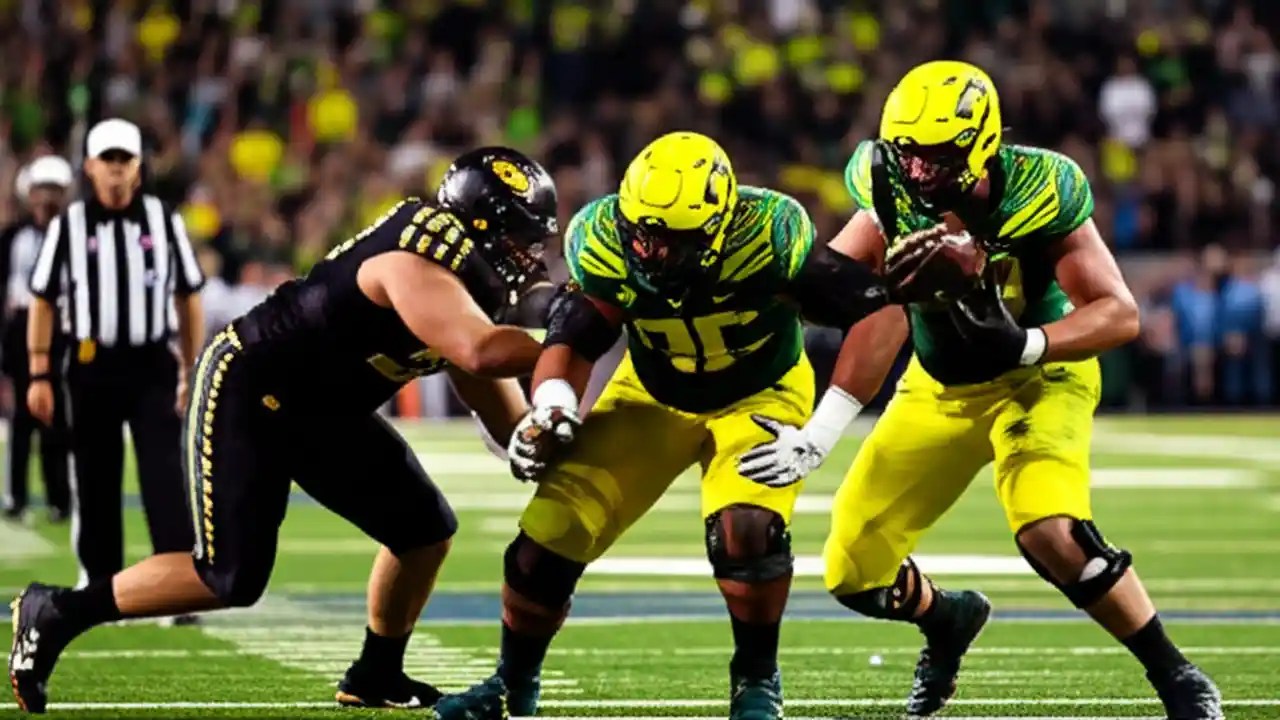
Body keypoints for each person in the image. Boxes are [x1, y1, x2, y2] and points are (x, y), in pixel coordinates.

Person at [734, 61, 1223, 719]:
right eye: (906, 151)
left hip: (1039, 377)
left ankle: (1178, 676)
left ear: (981, 143)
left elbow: (1119, 311)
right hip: (939, 386)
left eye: (935, 154)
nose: (915, 169)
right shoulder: (885, 185)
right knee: (852, 572)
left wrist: (1026, 342)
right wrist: (821, 430)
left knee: (1050, 532)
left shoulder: (1039, 188)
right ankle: (948, 621)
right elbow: (859, 301)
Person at [9, 147, 557, 716]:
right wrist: (564, 342)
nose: (531, 256)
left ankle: (375, 672)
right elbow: (481, 350)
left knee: (423, 530)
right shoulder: (414, 257)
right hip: (252, 387)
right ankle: (60, 611)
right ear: (483, 224)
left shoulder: (463, 278)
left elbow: (481, 383)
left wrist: (536, 439)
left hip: (323, 412)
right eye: (522, 238)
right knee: (230, 578)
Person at [437, 132, 897, 720]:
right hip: (652, 391)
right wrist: (551, 405)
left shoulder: (769, 233)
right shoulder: (604, 237)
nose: (648, 251)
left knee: (748, 532)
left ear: (717, 229)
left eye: (668, 238)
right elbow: (576, 334)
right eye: (641, 233)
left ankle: (757, 682)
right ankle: (512, 684)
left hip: (762, 389)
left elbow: (871, 305)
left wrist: (825, 426)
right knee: (544, 542)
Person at [25, 119, 205, 589]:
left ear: (139, 168)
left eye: (125, 160)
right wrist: (39, 371)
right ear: (89, 167)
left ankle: (176, 582)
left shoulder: (165, 220)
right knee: (94, 475)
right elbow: (42, 298)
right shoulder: (70, 225)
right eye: (108, 160)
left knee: (164, 475)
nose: (116, 169)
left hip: (152, 365)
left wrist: (191, 366)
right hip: (91, 366)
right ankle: (101, 582)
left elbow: (189, 296)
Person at [0, 156, 73, 523]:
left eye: (54, 191)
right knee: (21, 422)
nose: (47, 198)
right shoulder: (13, 236)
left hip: (59, 330)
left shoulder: (74, 238)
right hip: (19, 330)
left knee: (55, 421)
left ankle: (59, 497)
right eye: (41, 190)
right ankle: (16, 495)